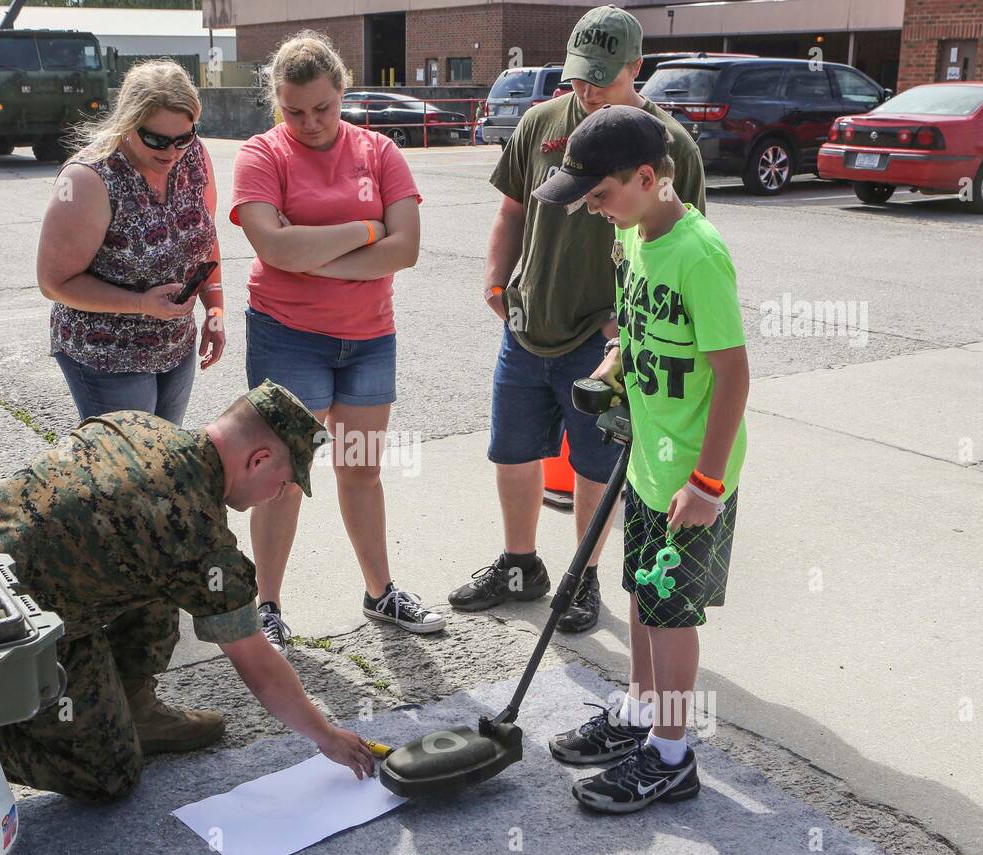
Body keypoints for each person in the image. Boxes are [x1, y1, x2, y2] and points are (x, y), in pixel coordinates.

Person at [0, 382, 377, 806]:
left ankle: (132, 709)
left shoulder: (139, 425)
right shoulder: (194, 535)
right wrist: (326, 736)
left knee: (158, 582)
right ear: (259, 458)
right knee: (107, 775)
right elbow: (258, 664)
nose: (279, 495)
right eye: (284, 481)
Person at [448, 5, 705, 635]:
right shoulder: (540, 123)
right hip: (529, 319)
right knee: (511, 455)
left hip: (604, 338)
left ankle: (582, 577)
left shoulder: (670, 146)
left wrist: (631, 329)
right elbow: (511, 213)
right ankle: (519, 566)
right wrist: (495, 281)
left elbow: (681, 248)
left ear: (635, 67)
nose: (586, 91)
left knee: (594, 468)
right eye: (577, 78)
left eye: (601, 79)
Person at [534, 106, 749, 812]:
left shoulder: (698, 251)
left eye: (600, 196)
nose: (594, 211)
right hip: (649, 464)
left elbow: (733, 375)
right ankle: (639, 710)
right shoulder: (633, 235)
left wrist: (708, 481)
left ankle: (671, 755)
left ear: (649, 177)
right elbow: (638, 321)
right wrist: (617, 361)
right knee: (642, 596)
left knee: (672, 613)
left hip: (693, 475)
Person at [230, 30, 444, 653]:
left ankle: (380, 593)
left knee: (361, 469)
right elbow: (271, 245)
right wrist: (364, 230)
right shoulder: (262, 154)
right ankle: (266, 605)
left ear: (342, 91)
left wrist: (313, 253)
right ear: (277, 102)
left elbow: (404, 250)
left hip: (368, 340)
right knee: (283, 477)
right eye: (294, 111)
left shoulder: (379, 151)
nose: (310, 122)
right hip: (288, 337)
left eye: (322, 108)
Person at [38, 59, 225, 426]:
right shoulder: (89, 179)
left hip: (174, 344)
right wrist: (139, 303)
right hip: (106, 353)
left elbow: (205, 239)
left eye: (183, 137)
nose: (171, 152)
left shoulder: (194, 156)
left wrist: (215, 310)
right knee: (129, 471)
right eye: (155, 139)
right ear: (127, 123)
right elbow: (53, 282)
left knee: (164, 460)